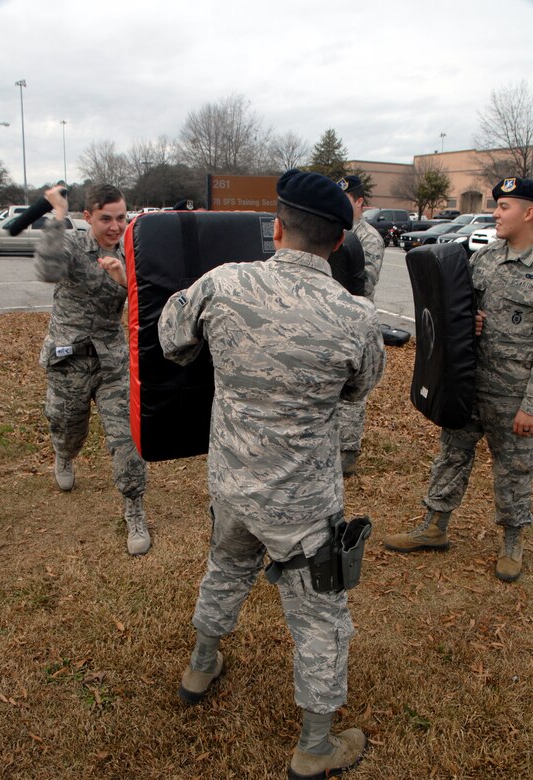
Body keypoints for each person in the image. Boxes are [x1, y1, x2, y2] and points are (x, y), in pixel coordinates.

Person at [158, 169, 385, 778]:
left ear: (277, 228)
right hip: (304, 504)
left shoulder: (223, 284)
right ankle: (315, 747)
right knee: (320, 615)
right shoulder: (357, 317)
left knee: (226, 567)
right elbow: (356, 390)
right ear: (339, 241)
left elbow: (171, 341)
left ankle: (200, 667)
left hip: (232, 484)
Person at [384, 176, 533, 582]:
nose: (495, 213)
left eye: (504, 207)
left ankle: (513, 541)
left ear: (528, 213)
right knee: (452, 453)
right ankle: (435, 525)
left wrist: (529, 406)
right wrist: (472, 322)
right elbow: (456, 311)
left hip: (513, 393)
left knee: (514, 468)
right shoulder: (484, 258)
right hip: (469, 382)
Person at [35, 184, 151, 556]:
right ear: (88, 218)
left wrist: (125, 281)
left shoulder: (132, 251)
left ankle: (134, 507)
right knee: (68, 427)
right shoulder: (71, 245)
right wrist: (57, 216)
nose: (115, 226)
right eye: (106, 219)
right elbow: (47, 269)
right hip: (69, 359)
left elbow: (150, 299)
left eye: (121, 218)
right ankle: (64, 454)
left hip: (111, 361)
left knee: (128, 436)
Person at [336, 174, 386, 476]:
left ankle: (347, 452)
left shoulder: (369, 238)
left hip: (355, 322)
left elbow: (365, 284)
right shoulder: (333, 231)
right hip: (331, 319)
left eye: (346, 201)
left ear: (359, 203)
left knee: (353, 392)